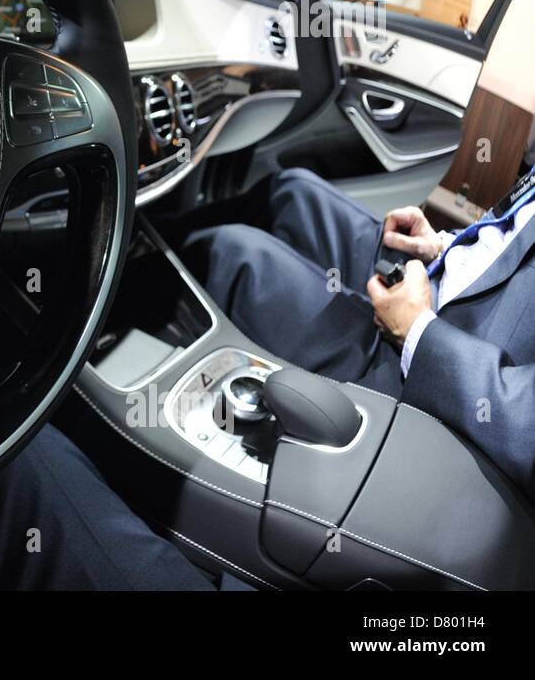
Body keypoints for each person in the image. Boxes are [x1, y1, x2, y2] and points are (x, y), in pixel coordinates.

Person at [180, 166, 535, 500]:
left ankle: (136, 277)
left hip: (438, 371)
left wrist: (417, 331)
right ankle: (156, 227)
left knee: (236, 256)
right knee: (294, 194)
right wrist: (449, 248)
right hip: (438, 281)